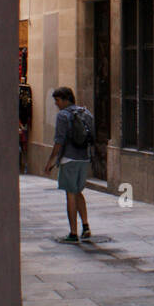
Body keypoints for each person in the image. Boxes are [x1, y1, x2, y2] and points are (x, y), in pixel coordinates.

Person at [44, 86, 93, 242]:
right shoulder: (86, 113)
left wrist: (51, 161)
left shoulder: (63, 116)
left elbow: (59, 141)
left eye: (57, 100)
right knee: (78, 191)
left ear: (66, 99)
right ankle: (86, 227)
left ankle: (73, 233)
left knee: (70, 195)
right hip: (84, 158)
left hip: (69, 159)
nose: (56, 104)